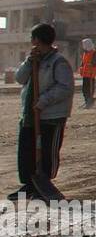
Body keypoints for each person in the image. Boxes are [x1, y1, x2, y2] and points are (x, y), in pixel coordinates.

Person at [12, 23, 73, 201]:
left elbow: (65, 88)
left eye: (32, 39)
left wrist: (43, 101)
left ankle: (44, 184)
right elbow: (19, 78)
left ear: (37, 39)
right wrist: (28, 62)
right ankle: (29, 185)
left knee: (46, 152)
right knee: (26, 151)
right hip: (30, 115)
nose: (31, 42)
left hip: (50, 116)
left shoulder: (57, 62)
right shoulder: (33, 59)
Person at [78, 38, 96, 109]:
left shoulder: (94, 52)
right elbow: (83, 62)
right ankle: (86, 101)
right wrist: (81, 67)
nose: (82, 46)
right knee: (84, 88)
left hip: (90, 73)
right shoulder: (85, 52)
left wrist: (91, 65)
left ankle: (90, 102)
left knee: (89, 88)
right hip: (85, 73)